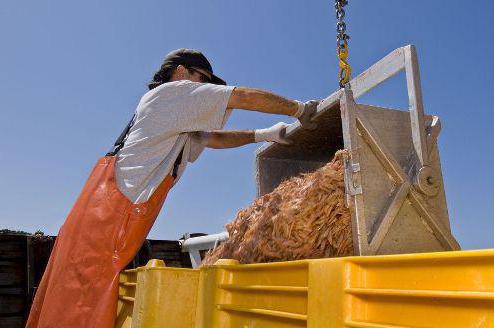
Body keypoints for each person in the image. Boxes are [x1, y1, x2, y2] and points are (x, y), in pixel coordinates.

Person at [26, 48, 318, 328]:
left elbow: (213, 139)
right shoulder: (171, 94)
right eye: (202, 79)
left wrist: (264, 135)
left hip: (102, 218)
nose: (205, 88)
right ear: (180, 72)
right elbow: (240, 96)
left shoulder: (174, 121)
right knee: (79, 308)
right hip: (104, 220)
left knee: (73, 301)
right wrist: (299, 109)